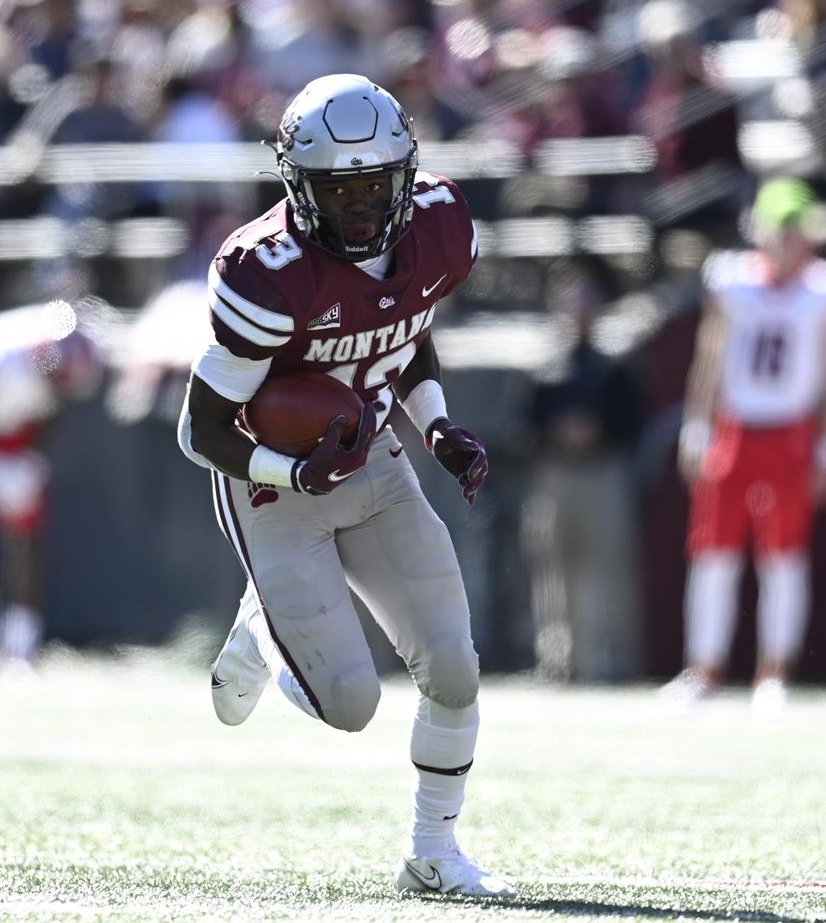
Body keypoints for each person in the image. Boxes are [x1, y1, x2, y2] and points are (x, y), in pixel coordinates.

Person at [176, 75, 512, 898]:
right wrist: (293, 469)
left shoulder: (439, 226)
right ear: (297, 183)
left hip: (371, 457)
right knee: (351, 705)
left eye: (374, 185)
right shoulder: (267, 270)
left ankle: (433, 852)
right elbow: (200, 429)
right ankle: (263, 629)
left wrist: (432, 424)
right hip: (270, 482)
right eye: (338, 188)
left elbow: (407, 328)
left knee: (454, 669)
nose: (360, 206)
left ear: (406, 175)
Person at [665, 178, 826, 712]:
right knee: (712, 553)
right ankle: (702, 668)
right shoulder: (732, 281)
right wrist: (695, 427)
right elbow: (709, 356)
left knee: (783, 557)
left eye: (801, 231)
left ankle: (774, 670)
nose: (794, 241)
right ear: (764, 231)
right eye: (785, 230)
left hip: (792, 432)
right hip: (736, 427)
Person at [0, 301, 100, 669]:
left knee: (29, 541)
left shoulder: (71, 360)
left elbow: (56, 410)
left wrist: (32, 458)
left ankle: (19, 651)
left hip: (18, 438)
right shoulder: (2, 357)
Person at [523, 255, 644, 683]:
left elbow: (632, 419)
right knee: (555, 571)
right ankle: (558, 661)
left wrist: (598, 432)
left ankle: (611, 661)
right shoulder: (545, 366)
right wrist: (561, 433)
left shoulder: (614, 366)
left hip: (603, 471)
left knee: (608, 568)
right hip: (556, 474)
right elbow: (527, 423)